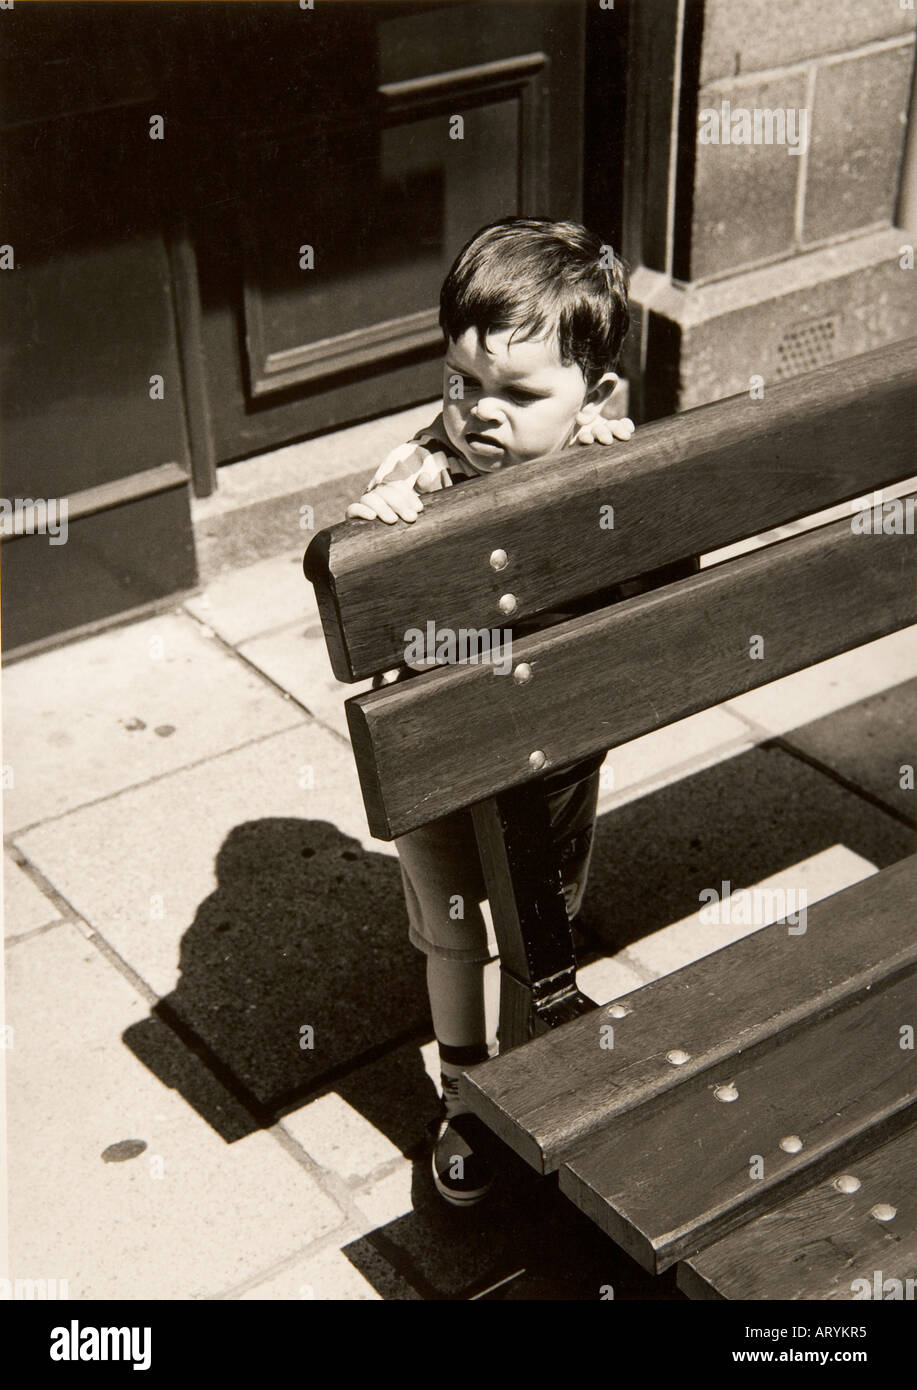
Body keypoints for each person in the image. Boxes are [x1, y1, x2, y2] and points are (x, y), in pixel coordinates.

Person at [345, 218, 634, 1206]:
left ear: (594, 398)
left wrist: (593, 473)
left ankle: (528, 1064)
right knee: (456, 936)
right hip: (437, 760)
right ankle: (464, 1087)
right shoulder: (425, 470)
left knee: (540, 919)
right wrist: (385, 512)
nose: (480, 413)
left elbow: (644, 569)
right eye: (461, 382)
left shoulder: (595, 462)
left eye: (519, 392)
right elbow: (382, 527)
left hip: (551, 762)